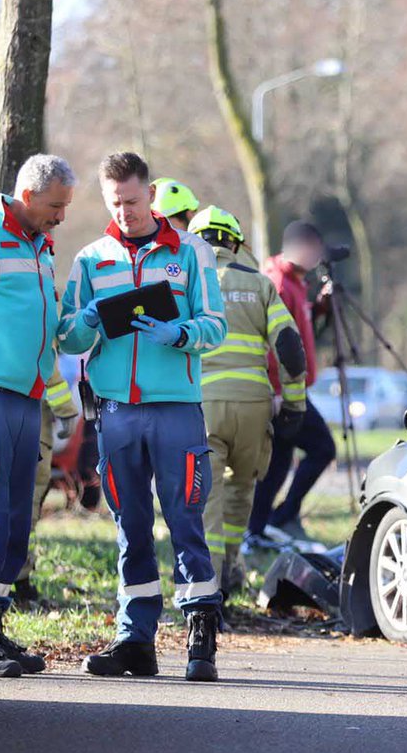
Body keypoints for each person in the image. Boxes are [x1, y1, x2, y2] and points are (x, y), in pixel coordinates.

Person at [60, 152, 227, 680]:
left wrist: (180, 334)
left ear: (150, 194)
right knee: (129, 527)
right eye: (115, 203)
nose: (126, 212)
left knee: (185, 520)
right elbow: (67, 335)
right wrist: (87, 321)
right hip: (116, 411)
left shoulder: (193, 253)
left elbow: (216, 325)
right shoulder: (91, 259)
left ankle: (201, 635)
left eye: (132, 201)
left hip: (176, 409)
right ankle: (135, 640)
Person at [0, 153, 76, 677]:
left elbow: (44, 331)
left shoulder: (42, 245)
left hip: (28, 398)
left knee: (19, 518)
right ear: (27, 196)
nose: (61, 217)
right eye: (54, 206)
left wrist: (62, 401)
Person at [189, 206, 307, 590]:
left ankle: (208, 587)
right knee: (241, 489)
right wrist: (294, 404)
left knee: (207, 497)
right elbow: (290, 347)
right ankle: (231, 572)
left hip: (202, 405)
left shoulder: (187, 284)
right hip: (253, 406)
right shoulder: (259, 284)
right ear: (235, 242)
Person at [247, 221, 336, 548]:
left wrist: (322, 308)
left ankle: (257, 529)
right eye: (312, 250)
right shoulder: (280, 284)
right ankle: (280, 517)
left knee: (279, 462)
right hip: (284, 390)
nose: (316, 257)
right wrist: (277, 390)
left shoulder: (296, 283)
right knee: (323, 448)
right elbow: (274, 342)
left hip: (290, 387)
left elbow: (300, 329)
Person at [13, 363, 79, 605]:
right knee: (25, 503)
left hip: (7, 409)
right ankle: (17, 580)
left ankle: (13, 579)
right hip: (31, 417)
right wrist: (65, 408)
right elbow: (43, 359)